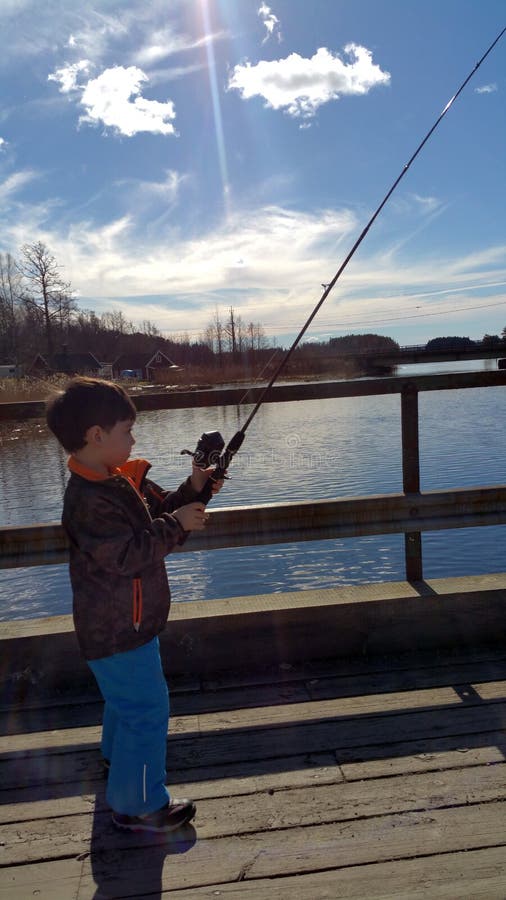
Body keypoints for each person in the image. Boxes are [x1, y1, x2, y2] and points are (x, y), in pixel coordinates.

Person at [46, 376, 221, 834]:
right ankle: (138, 802)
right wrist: (177, 525)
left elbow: (164, 511)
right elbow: (129, 553)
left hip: (128, 625)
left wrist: (196, 485)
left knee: (127, 704)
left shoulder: (117, 478)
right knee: (146, 709)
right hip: (117, 630)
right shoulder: (87, 500)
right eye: (127, 431)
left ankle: (117, 767)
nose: (134, 439)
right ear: (96, 436)